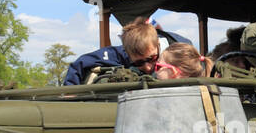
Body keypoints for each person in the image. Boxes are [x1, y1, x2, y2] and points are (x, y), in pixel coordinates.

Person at [62, 17, 192, 85]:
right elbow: (82, 62)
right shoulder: (122, 53)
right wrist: (70, 92)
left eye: (151, 59)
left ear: (158, 44)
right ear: (127, 53)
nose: (147, 67)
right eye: (139, 63)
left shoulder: (181, 51)